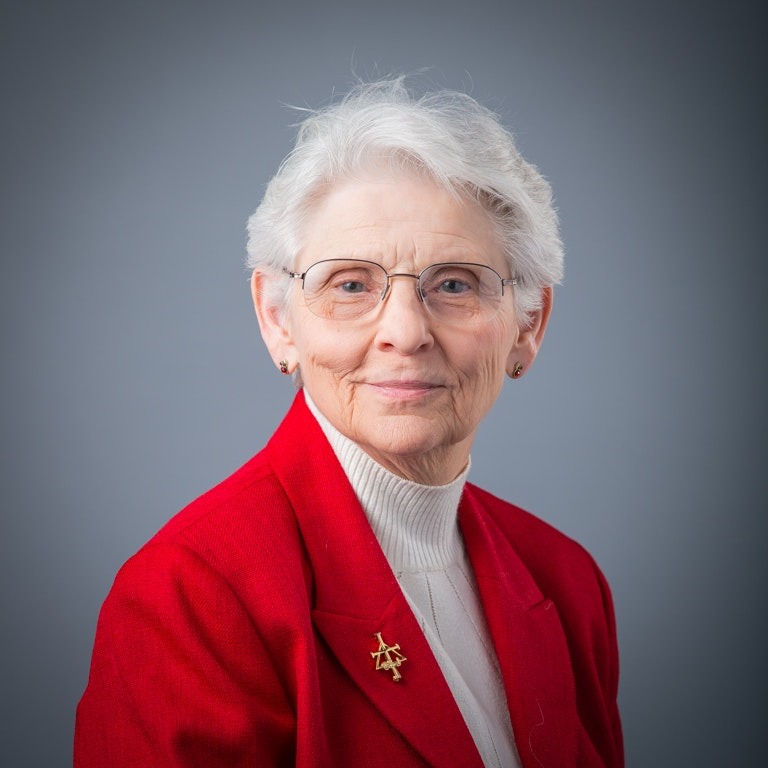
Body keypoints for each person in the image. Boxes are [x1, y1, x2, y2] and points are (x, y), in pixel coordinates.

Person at [75, 78, 623, 767]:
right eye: (351, 284)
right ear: (278, 319)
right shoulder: (190, 597)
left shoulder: (568, 582)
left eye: (454, 283)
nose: (404, 332)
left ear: (529, 324)